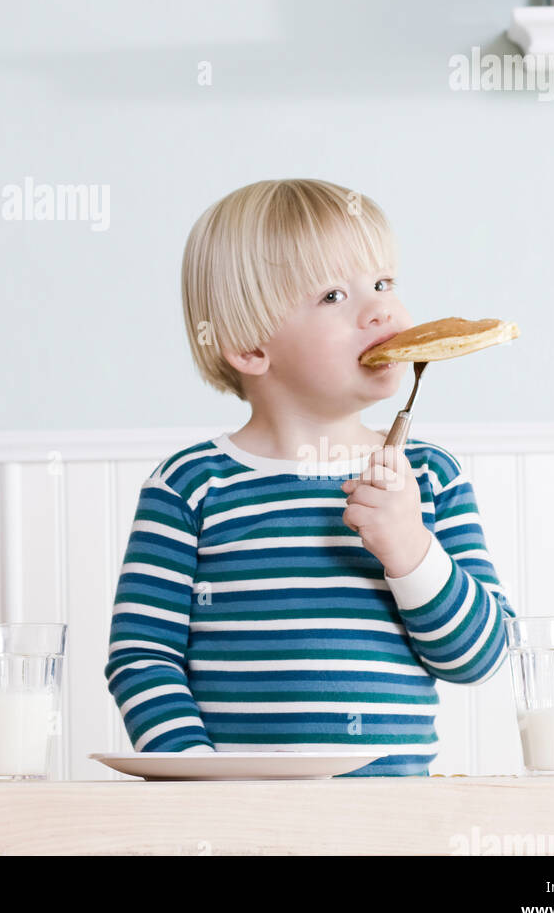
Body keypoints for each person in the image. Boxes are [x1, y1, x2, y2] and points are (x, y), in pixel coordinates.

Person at [105, 178, 515, 775]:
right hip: (238, 826)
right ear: (248, 348)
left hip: (394, 825)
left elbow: (480, 657)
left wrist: (411, 548)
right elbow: (142, 656)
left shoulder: (428, 477)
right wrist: (196, 776)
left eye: (382, 283)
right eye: (332, 296)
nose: (381, 309)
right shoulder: (190, 486)